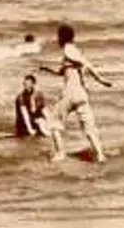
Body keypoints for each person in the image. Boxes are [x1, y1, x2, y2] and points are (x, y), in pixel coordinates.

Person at [38, 24, 113, 162]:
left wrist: (101, 79)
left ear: (62, 37)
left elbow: (86, 64)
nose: (57, 40)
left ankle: (60, 153)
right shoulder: (73, 52)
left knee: (54, 122)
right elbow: (62, 72)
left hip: (70, 94)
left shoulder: (68, 50)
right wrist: (46, 69)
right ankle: (100, 155)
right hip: (81, 95)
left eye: (58, 37)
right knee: (89, 127)